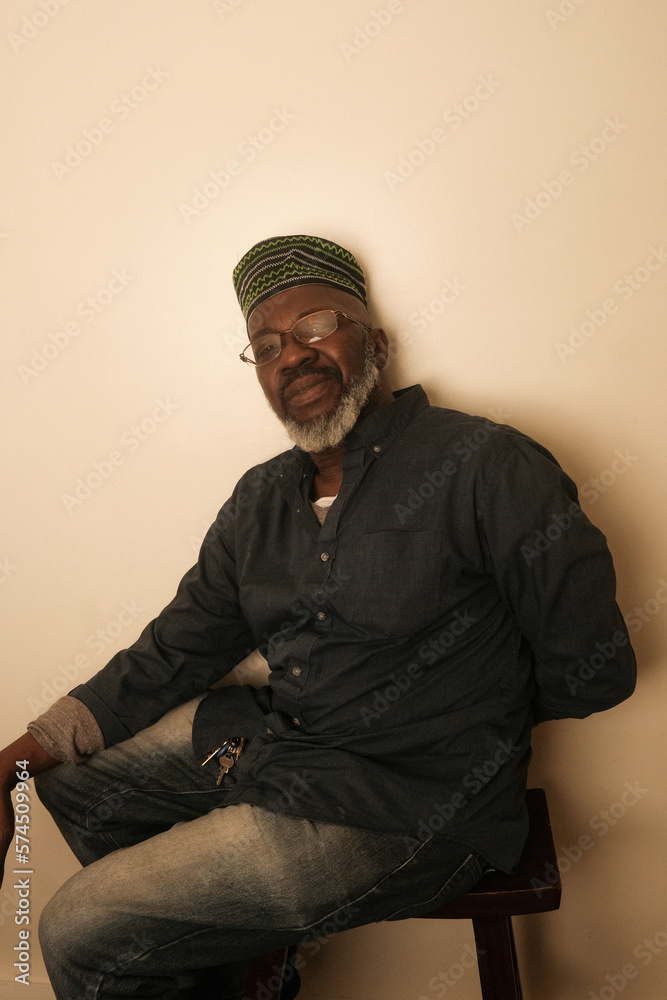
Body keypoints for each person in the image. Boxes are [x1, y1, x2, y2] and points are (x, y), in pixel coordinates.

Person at [0, 235, 636, 999]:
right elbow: (173, 650)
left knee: (77, 929)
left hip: (408, 809)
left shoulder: (485, 464)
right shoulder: (259, 500)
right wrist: (9, 762)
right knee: (71, 782)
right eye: (265, 345)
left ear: (377, 340)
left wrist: (458, 719)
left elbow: (592, 671)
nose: (290, 356)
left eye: (315, 326)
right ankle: (235, 972)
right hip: (285, 751)